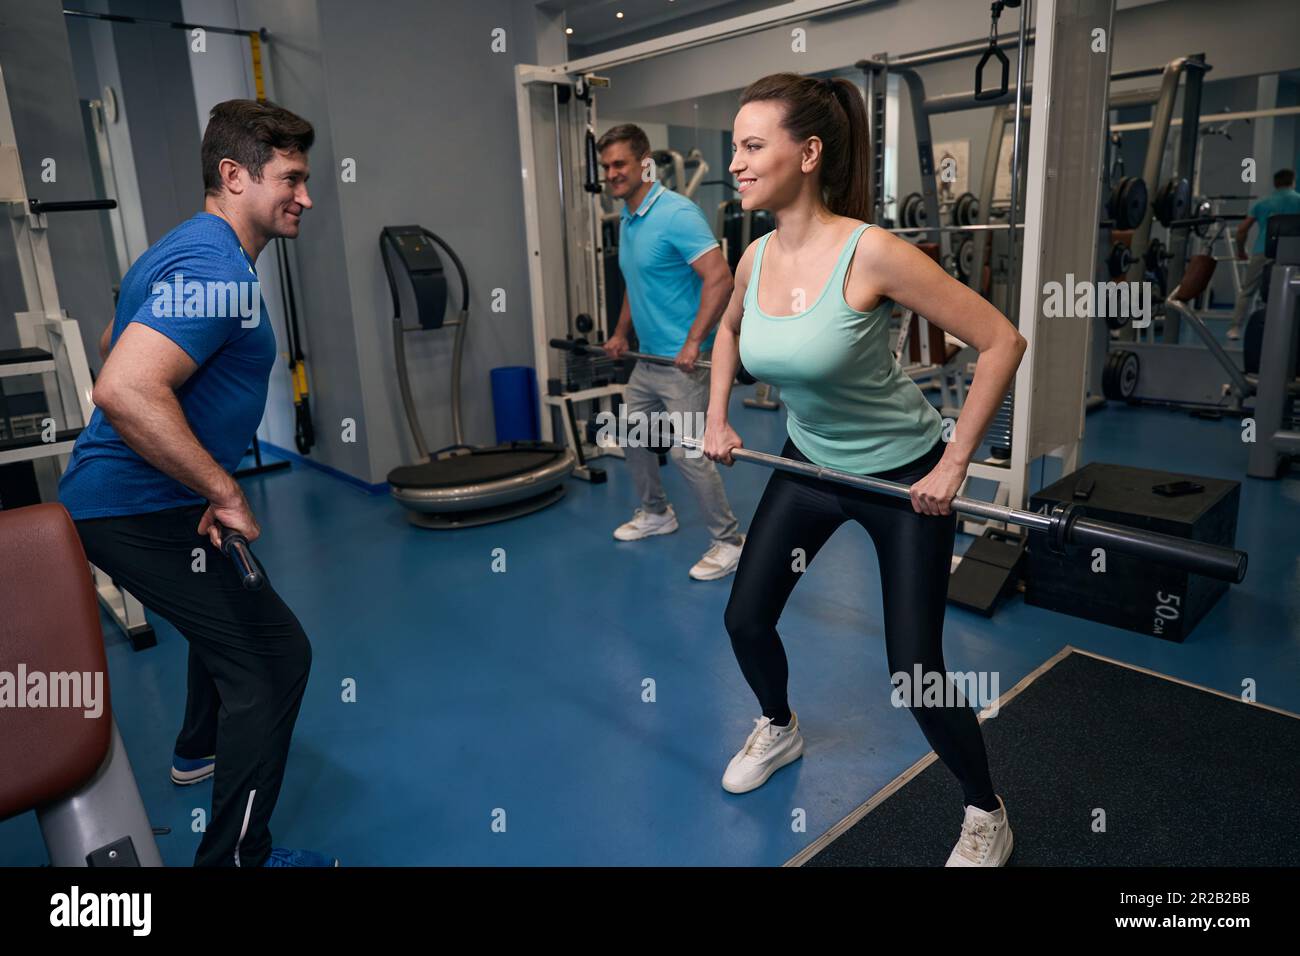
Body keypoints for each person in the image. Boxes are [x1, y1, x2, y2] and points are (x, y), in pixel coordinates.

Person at [702, 74, 1027, 867]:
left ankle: (987, 812)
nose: (736, 164)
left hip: (902, 476)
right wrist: (715, 415)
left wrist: (954, 463)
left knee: (914, 668)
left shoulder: (872, 251)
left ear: (807, 153)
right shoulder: (754, 255)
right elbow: (728, 333)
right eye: (734, 148)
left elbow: (1001, 341)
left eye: (752, 146)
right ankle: (780, 725)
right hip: (812, 465)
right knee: (745, 619)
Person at [59, 99, 335, 868]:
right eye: (291, 178)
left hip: (148, 499)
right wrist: (224, 489)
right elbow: (124, 386)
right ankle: (236, 861)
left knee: (231, 609)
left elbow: (115, 340)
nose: (305, 196)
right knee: (276, 659)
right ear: (234, 175)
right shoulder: (214, 269)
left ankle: (194, 749)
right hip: (131, 507)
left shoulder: (181, 249)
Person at [597, 124, 747, 580]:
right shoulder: (627, 216)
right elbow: (635, 284)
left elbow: (720, 277)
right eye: (606, 167)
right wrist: (622, 332)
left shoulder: (677, 214)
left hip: (683, 364)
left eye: (619, 164)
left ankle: (728, 540)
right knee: (635, 438)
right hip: (649, 361)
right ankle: (656, 513)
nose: (612, 174)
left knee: (688, 454)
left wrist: (694, 341)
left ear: (644, 163)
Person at [1229, 168, 1300, 339]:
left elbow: (1241, 230)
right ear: (1292, 182)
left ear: (1275, 184)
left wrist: (1240, 251)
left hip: (1263, 251)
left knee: (1247, 291)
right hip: (1292, 253)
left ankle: (1234, 329)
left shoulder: (1263, 203)